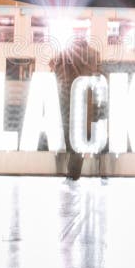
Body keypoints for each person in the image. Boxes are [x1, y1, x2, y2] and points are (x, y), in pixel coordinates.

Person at [50, 38, 102, 180]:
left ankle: (72, 172)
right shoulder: (94, 54)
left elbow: (52, 64)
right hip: (86, 101)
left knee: (70, 136)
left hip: (67, 99)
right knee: (79, 138)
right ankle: (74, 172)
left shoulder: (65, 53)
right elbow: (99, 75)